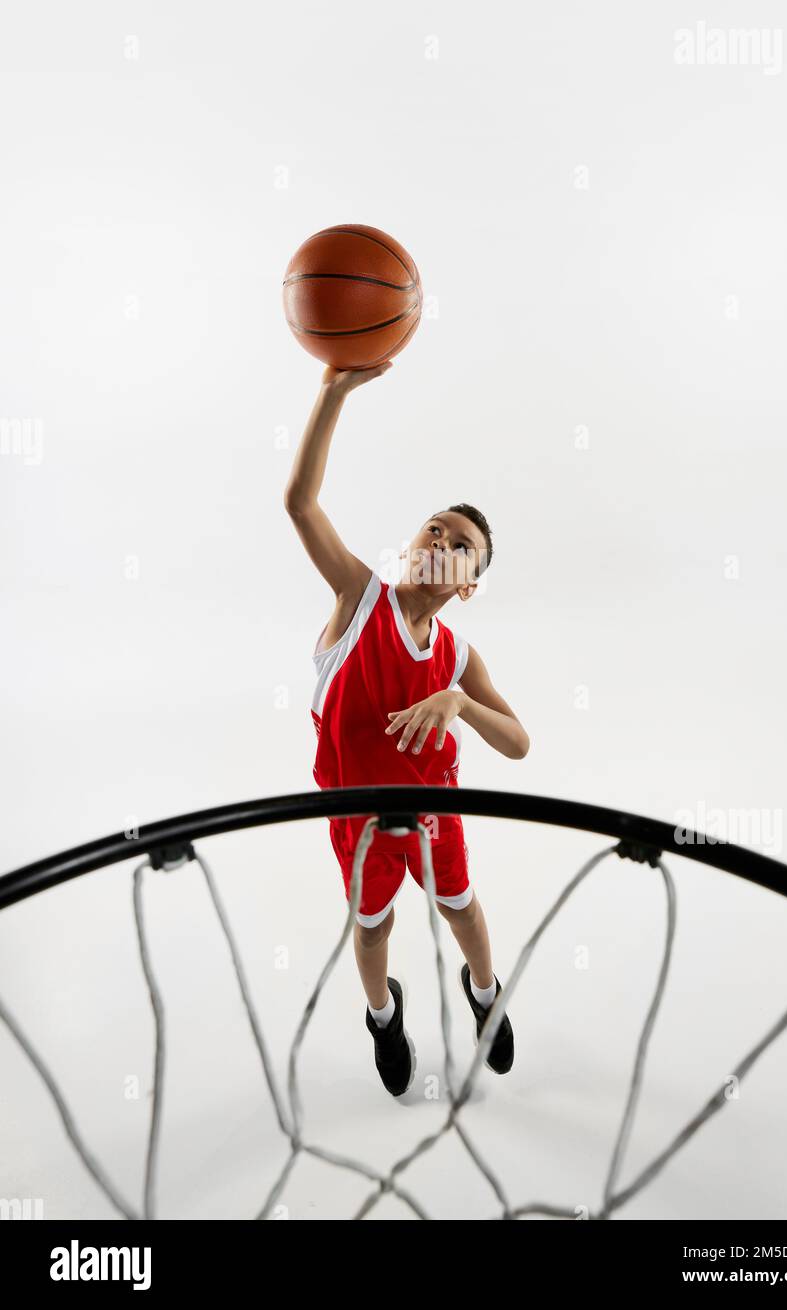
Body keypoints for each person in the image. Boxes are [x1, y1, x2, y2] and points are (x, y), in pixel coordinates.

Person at [284, 361, 530, 1096]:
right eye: (435, 528)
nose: (441, 541)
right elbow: (299, 503)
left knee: (461, 908)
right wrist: (332, 392)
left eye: (460, 545)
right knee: (370, 932)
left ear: (468, 583)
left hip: (436, 810)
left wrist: (457, 703)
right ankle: (383, 1016)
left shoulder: (456, 654)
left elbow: (517, 742)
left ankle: (484, 995)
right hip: (355, 816)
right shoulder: (359, 598)